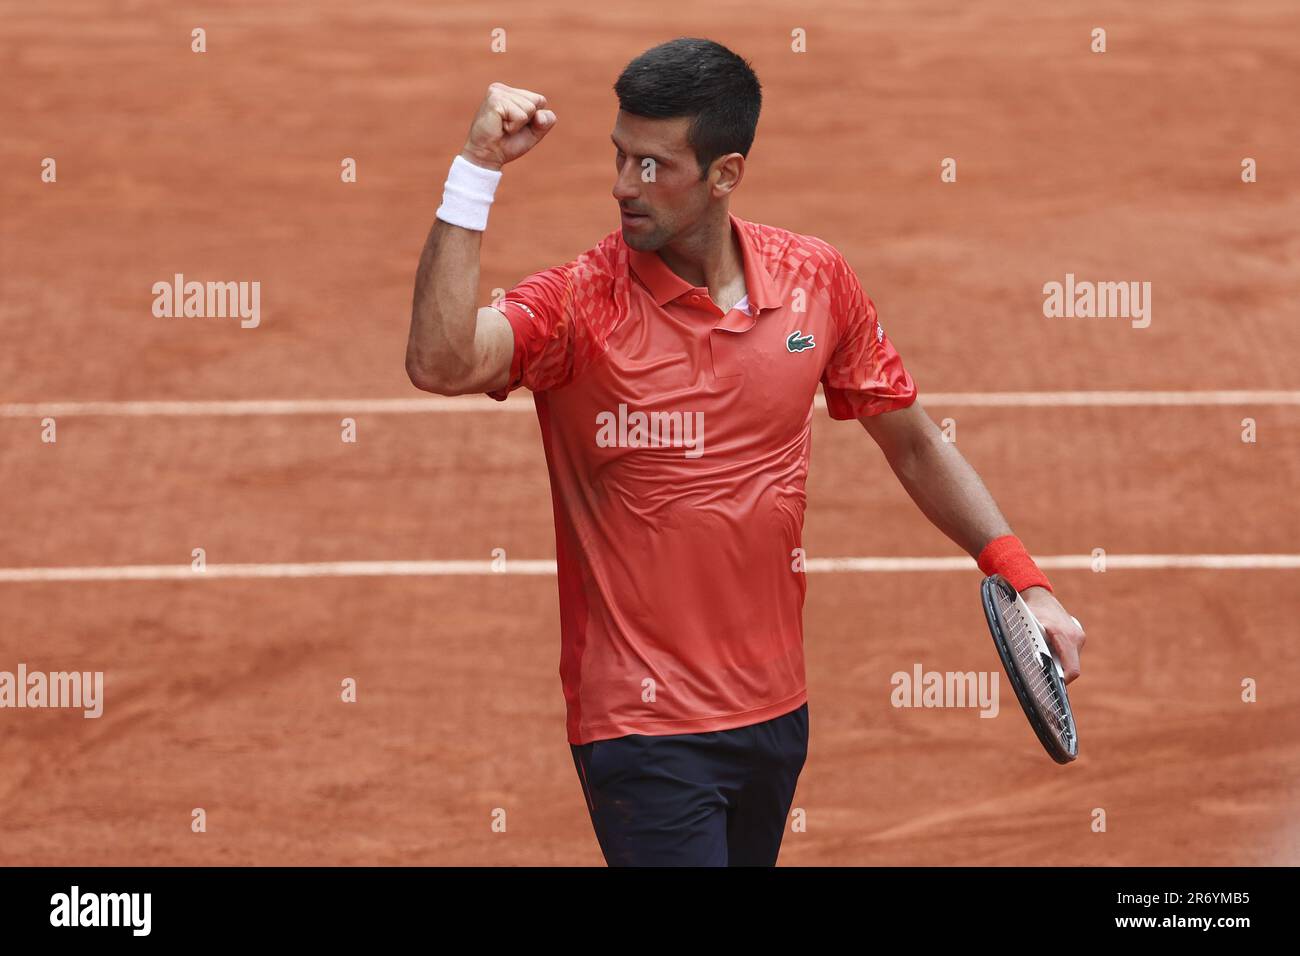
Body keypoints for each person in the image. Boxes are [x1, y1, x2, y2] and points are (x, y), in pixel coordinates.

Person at [406, 37, 1086, 867]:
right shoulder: (581, 304)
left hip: (774, 711)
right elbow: (441, 362)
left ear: (725, 174)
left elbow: (911, 441)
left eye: (654, 166)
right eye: (619, 158)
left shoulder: (816, 280)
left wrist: (1024, 579)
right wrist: (477, 168)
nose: (624, 186)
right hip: (642, 725)